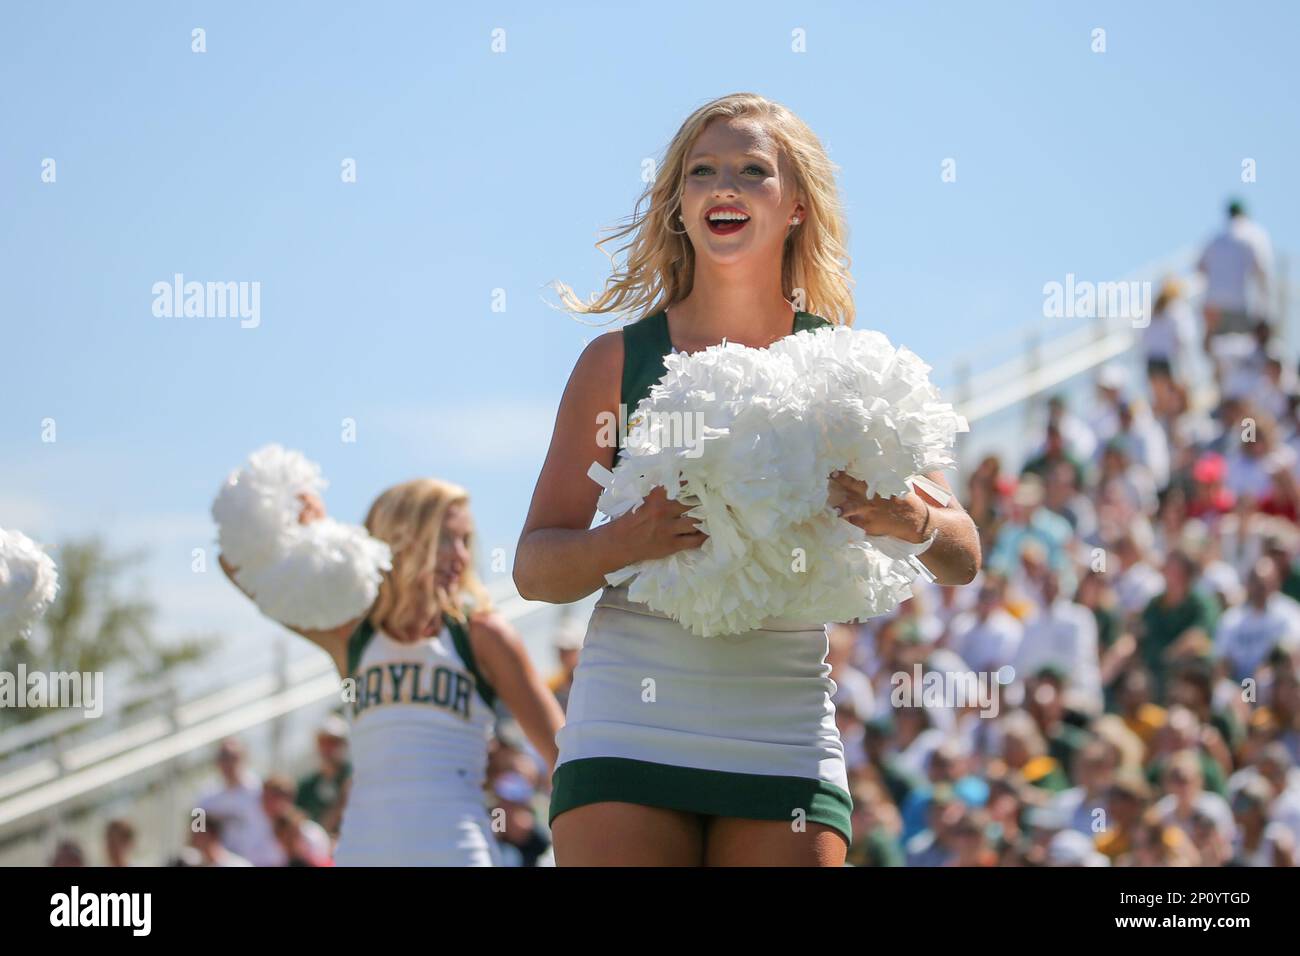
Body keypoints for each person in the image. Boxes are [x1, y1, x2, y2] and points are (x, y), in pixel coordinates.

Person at [515, 92, 981, 867]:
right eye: (703, 171)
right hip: (629, 725)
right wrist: (628, 539)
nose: (723, 185)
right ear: (680, 204)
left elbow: (962, 554)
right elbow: (535, 567)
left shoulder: (845, 366)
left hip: (783, 733)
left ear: (796, 205)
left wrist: (907, 515)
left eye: (751, 171)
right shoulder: (616, 364)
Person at [220, 480, 565, 866]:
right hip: (362, 854)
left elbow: (566, 754)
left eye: (466, 540)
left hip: (457, 853)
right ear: (402, 540)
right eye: (445, 540)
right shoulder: (349, 633)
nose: (461, 556)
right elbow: (235, 565)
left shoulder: (483, 636)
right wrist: (316, 535)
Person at [196, 737, 281, 866]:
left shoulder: (260, 792)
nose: (228, 763)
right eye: (223, 757)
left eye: (233, 757)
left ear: (244, 759)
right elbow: (196, 829)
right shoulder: (206, 798)